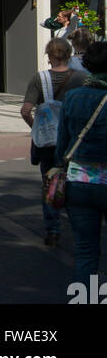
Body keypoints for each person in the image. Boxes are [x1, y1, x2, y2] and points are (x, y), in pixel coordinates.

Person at [20, 37, 86, 246]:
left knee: (50, 183)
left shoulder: (39, 79)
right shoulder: (81, 78)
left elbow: (25, 110)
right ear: (69, 54)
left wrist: (37, 129)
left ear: (49, 56)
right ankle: (79, 227)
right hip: (74, 141)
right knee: (74, 184)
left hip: (48, 143)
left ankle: (53, 229)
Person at [55, 39, 107, 288]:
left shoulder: (73, 97)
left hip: (77, 181)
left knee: (86, 253)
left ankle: (85, 297)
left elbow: (62, 142)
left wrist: (58, 168)